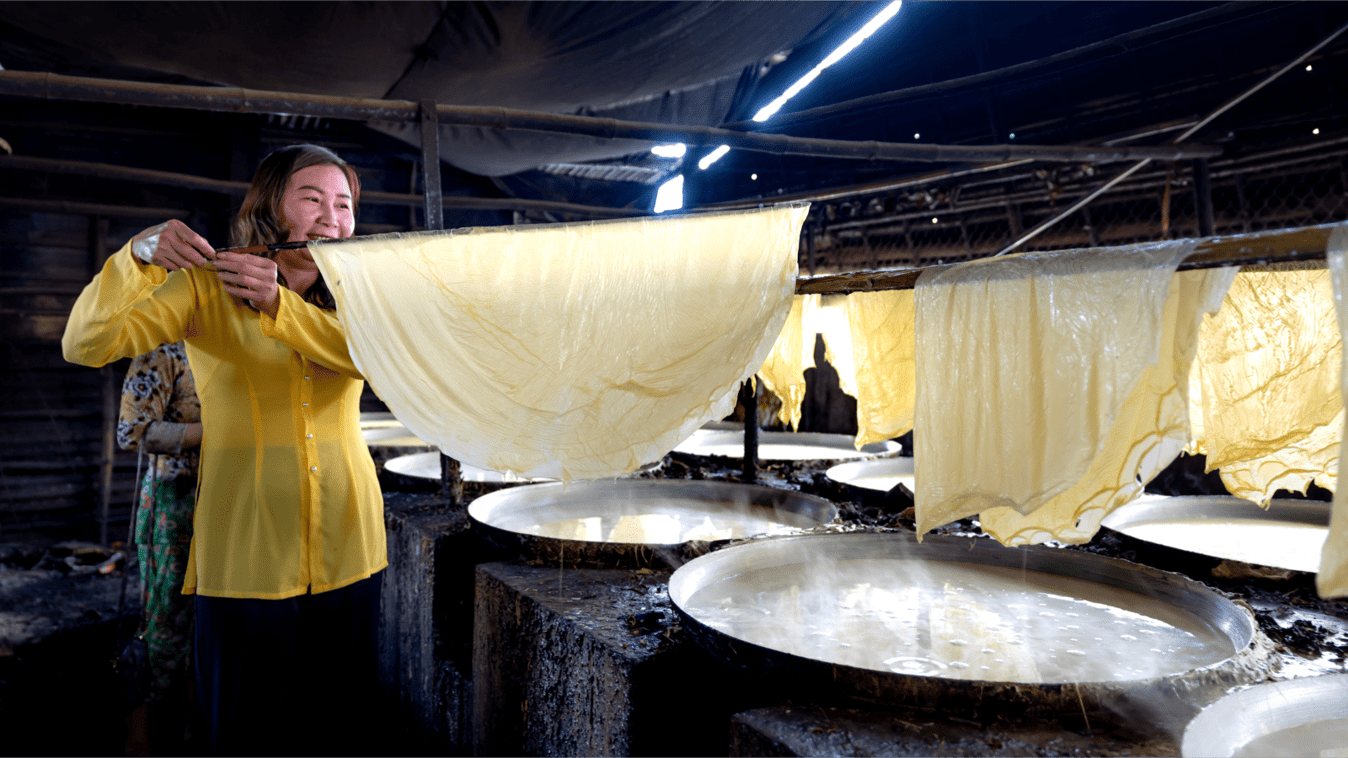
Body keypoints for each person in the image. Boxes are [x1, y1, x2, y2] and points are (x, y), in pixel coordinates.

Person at [63, 144, 385, 756]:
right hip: (247, 553)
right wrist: (135, 258)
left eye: (343, 204)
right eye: (312, 198)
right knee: (245, 731)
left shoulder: (364, 294)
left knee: (336, 727)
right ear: (268, 204)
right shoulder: (206, 287)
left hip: (351, 546)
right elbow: (86, 344)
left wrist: (279, 306)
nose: (331, 217)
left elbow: (375, 360)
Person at [118, 341, 202, 756]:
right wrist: (215, 432)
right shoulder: (165, 352)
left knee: (209, 624)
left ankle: (193, 734)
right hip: (174, 502)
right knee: (164, 620)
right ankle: (139, 741)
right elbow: (131, 432)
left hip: (227, 500)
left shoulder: (236, 341)